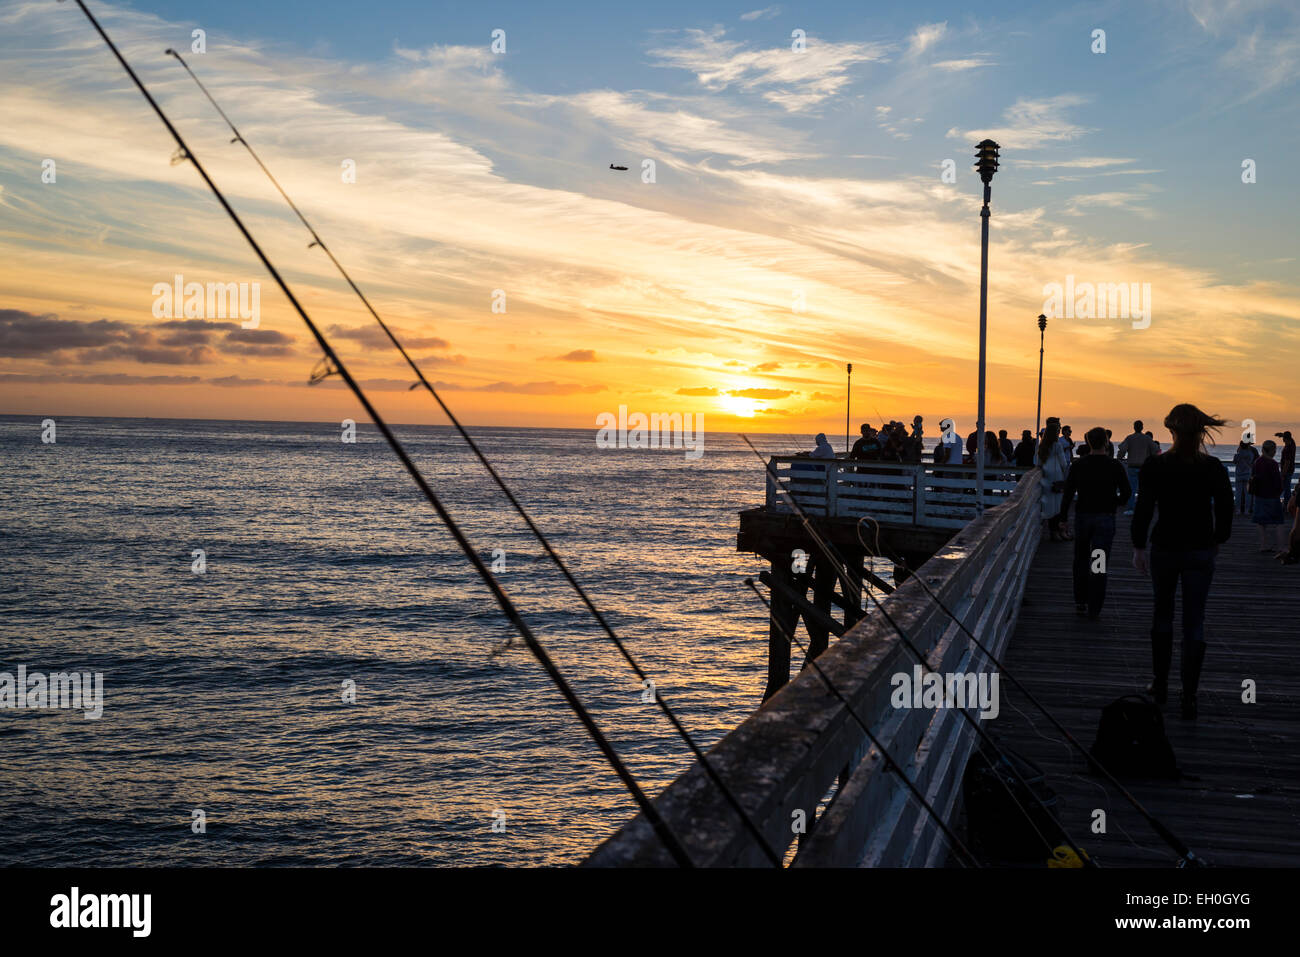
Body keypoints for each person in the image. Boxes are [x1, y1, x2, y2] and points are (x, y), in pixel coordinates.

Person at [1132, 404, 1233, 720]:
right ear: (1201, 432)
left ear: (1171, 432)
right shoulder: (1213, 467)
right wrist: (1219, 538)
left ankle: (1160, 685)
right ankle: (1189, 695)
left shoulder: (1155, 466)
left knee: (1162, 615)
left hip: (1165, 548)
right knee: (1194, 621)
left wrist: (1138, 546)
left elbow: (1144, 509)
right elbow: (1227, 507)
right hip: (1201, 549)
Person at [1060, 427, 1131, 618]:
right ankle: (1095, 605)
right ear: (1106, 442)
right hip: (1105, 519)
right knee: (1098, 563)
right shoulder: (1114, 466)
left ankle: (1080, 601)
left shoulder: (1079, 465)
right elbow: (1126, 493)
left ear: (1088, 442)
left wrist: (1063, 518)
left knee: (1081, 560)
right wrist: (1114, 503)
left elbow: (1067, 493)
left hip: (1083, 518)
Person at [1251, 440, 1287, 551]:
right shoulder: (1273, 464)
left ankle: (1263, 545)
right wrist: (1280, 492)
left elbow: (1253, 477)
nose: (1275, 452)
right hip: (1272, 496)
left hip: (1259, 495)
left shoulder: (1257, 462)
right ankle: (1281, 547)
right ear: (1271, 450)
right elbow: (1278, 481)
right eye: (1274, 450)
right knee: (1279, 522)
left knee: (1261, 522)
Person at [1039, 421, 1070, 541]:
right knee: (1057, 507)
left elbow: (1038, 463)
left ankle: (1054, 532)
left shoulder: (1042, 446)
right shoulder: (1057, 445)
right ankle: (1056, 532)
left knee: (1049, 506)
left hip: (1045, 477)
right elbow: (1063, 463)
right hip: (1057, 478)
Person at [1117, 420, 1155, 513]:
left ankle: (1131, 508)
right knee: (1144, 489)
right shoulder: (1147, 439)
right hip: (1143, 467)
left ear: (1134, 427)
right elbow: (1155, 450)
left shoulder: (1130, 438)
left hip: (1132, 466)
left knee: (1132, 489)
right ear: (1142, 427)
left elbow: (1122, 449)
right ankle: (1143, 508)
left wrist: (1119, 457)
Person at [1232, 439, 1259, 515]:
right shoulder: (1251, 454)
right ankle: (1247, 510)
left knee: (1238, 493)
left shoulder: (1238, 454)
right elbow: (1253, 462)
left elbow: (1234, 461)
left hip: (1239, 475)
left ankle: (1238, 510)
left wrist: (1239, 450)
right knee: (1248, 494)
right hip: (1247, 475)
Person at [1278, 431, 1296, 503]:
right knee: (1286, 487)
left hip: (1287, 471)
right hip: (1290, 470)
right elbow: (1291, 439)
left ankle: (1286, 504)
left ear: (1285, 439)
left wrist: (1282, 474)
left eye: (1284, 438)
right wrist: (1282, 435)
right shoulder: (1293, 444)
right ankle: (1286, 503)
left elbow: (1287, 462)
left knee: (1286, 488)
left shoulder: (1288, 449)